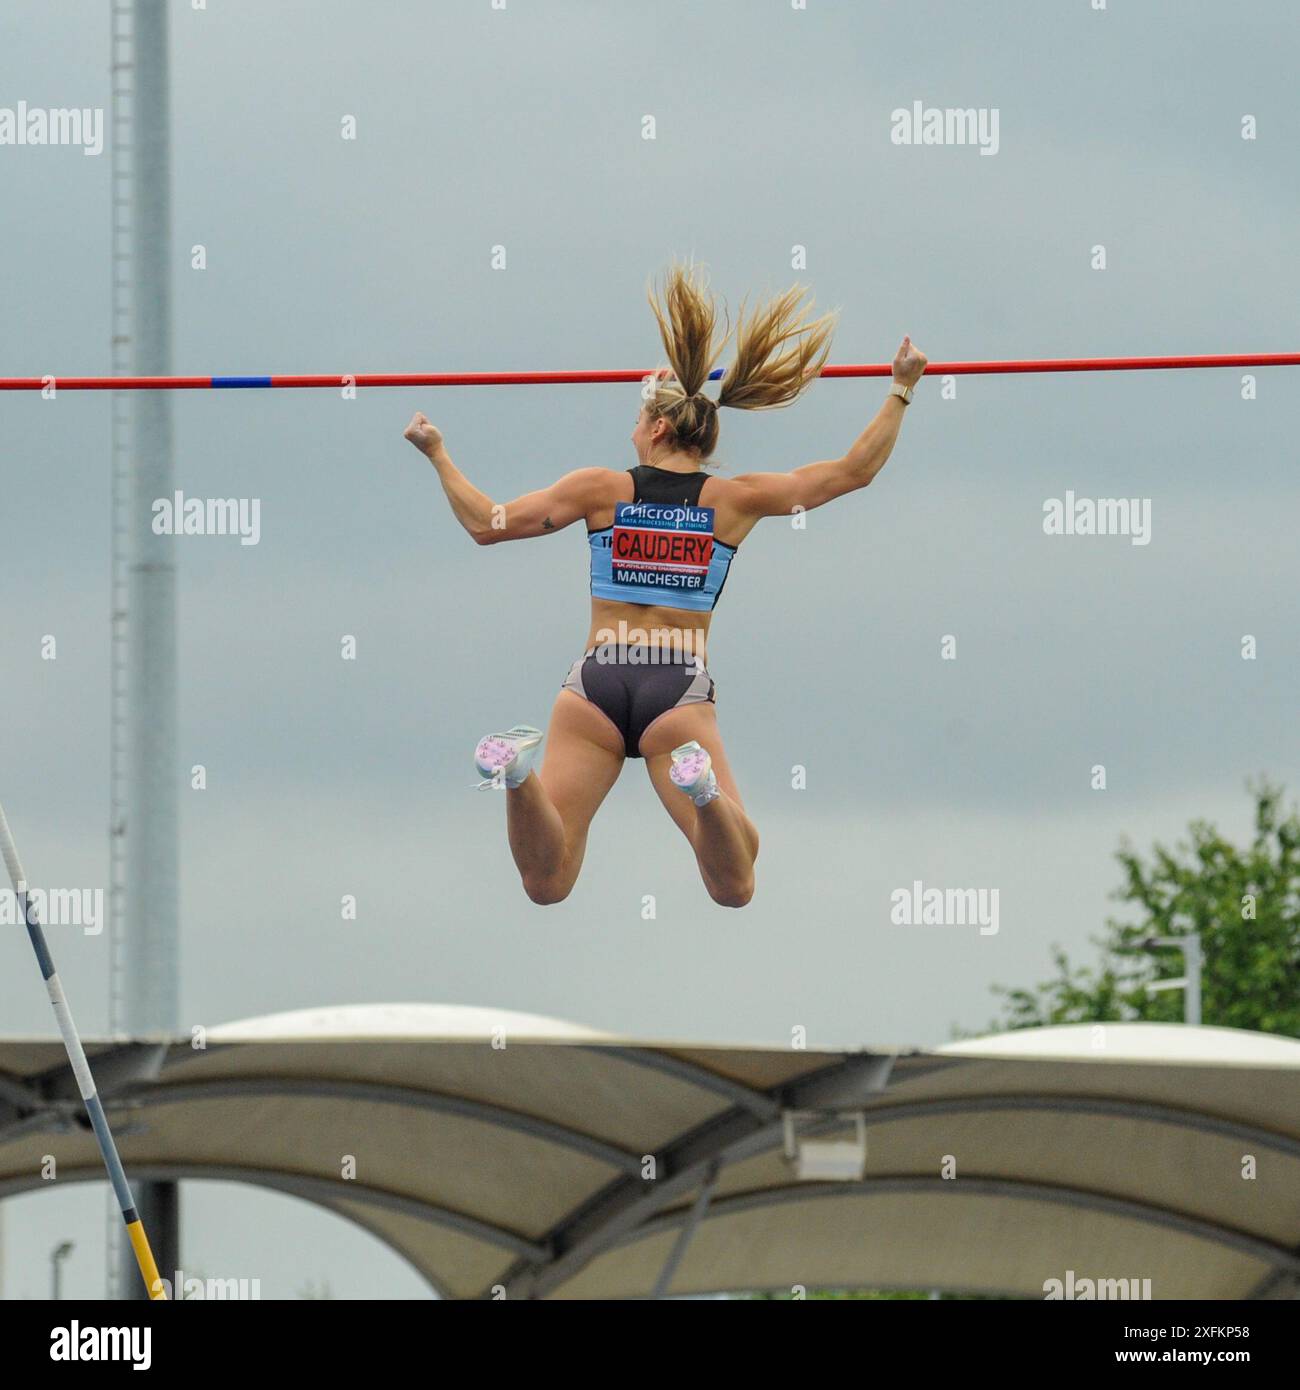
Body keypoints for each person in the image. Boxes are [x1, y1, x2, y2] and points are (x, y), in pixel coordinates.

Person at [403, 263, 926, 908]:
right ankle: (701, 789)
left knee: (548, 882)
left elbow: (487, 525)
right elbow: (852, 473)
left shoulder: (600, 489)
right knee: (736, 883)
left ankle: (514, 775)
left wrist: (436, 452)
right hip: (674, 689)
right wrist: (901, 389)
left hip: (595, 682)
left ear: (655, 427)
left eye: (634, 421)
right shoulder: (738, 500)